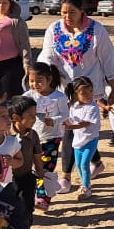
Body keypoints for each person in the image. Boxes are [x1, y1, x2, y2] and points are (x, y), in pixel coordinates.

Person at [37, 0, 114, 116]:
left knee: (86, 129)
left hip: (88, 90)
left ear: (81, 10)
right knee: (65, 126)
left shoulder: (96, 29)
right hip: (63, 88)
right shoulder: (54, 29)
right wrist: (43, 73)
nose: (68, 16)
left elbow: (109, 59)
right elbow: (47, 54)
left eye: (72, 12)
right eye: (64, 12)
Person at [24, 62, 70, 209]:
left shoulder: (59, 97)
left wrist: (55, 120)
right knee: (32, 167)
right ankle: (34, 194)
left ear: (49, 79)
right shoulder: (29, 96)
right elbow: (19, 106)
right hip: (31, 137)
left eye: (39, 81)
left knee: (45, 167)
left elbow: (65, 114)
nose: (35, 84)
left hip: (52, 137)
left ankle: (43, 198)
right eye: (31, 81)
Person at [62, 77, 102, 199]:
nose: (89, 95)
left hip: (90, 140)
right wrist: (62, 122)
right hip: (78, 141)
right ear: (76, 94)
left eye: (90, 91)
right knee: (79, 164)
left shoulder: (93, 107)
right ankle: (84, 184)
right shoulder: (74, 106)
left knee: (84, 164)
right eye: (84, 93)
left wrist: (71, 126)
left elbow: (85, 123)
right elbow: (71, 118)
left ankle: (86, 187)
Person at [7, 95, 41, 228]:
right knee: (12, 205)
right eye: (31, 116)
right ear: (16, 118)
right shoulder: (5, 136)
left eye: (35, 115)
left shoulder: (33, 135)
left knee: (27, 203)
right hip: (9, 179)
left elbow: (37, 155)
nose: (34, 119)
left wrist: (41, 172)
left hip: (27, 176)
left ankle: (26, 225)